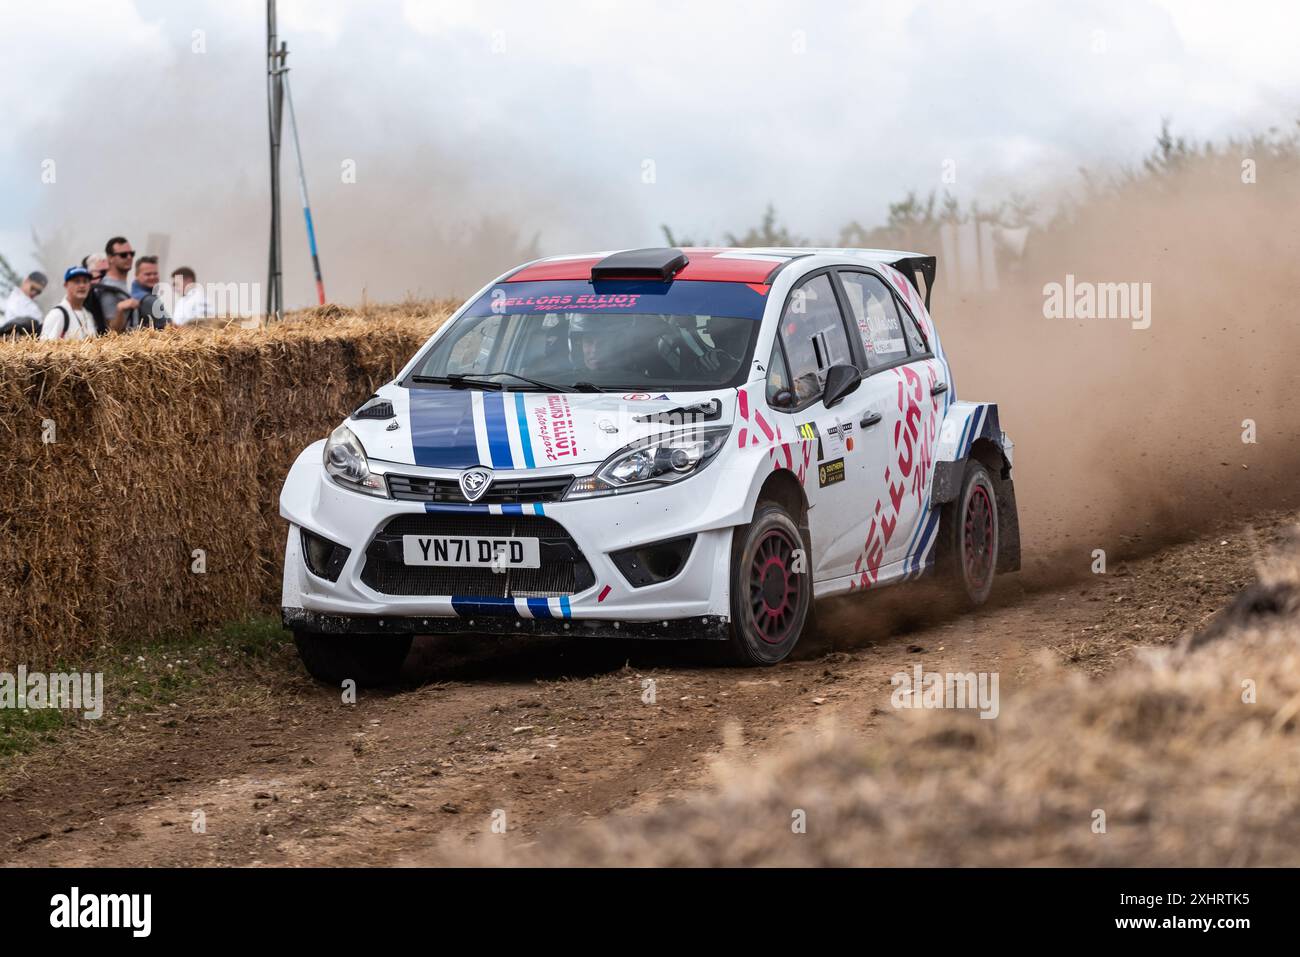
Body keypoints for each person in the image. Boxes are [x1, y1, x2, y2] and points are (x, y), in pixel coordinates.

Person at [87, 236, 138, 334]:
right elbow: (112, 332)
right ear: (110, 258)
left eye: (132, 254)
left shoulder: (119, 284)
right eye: (123, 255)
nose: (129, 257)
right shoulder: (108, 288)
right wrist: (120, 309)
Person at [39, 267, 97, 341]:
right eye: (77, 281)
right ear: (66, 285)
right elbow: (45, 346)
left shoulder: (89, 315)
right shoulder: (57, 314)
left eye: (85, 281)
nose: (82, 285)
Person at [1, 271, 48, 337]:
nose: (34, 293)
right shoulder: (6, 292)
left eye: (38, 292)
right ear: (26, 281)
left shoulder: (35, 310)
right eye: (33, 288)